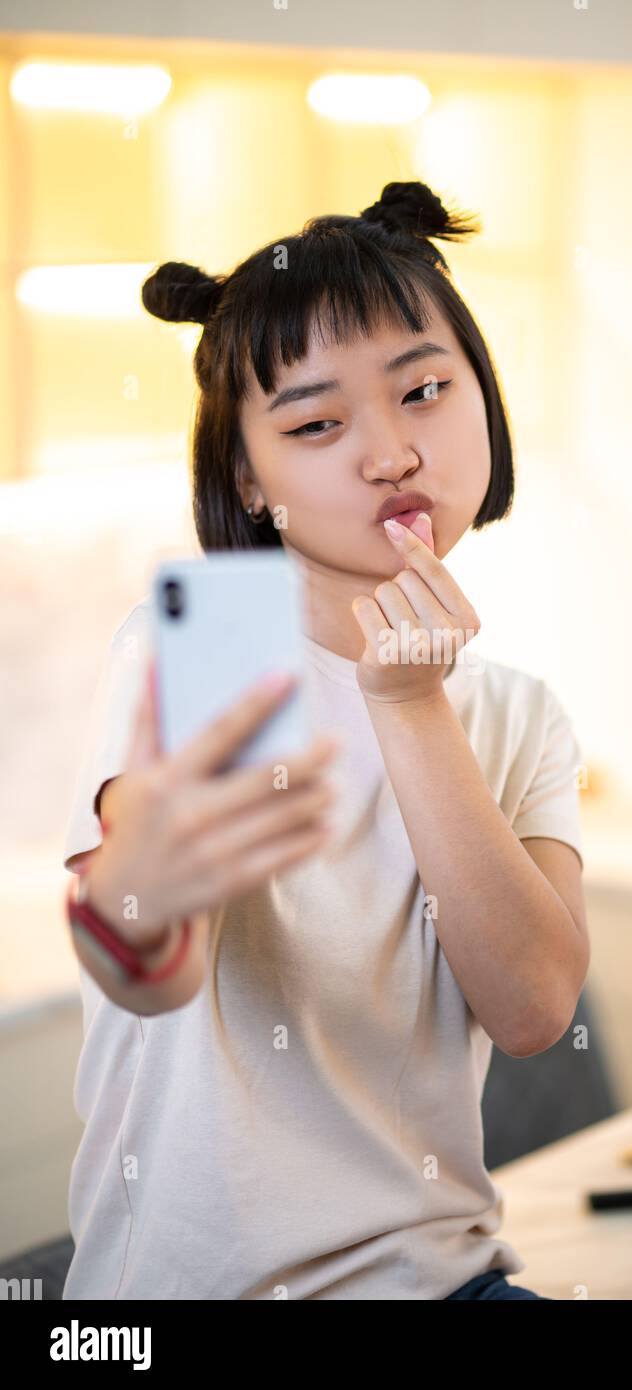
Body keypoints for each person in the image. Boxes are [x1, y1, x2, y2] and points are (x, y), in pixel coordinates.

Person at [61, 180, 589, 1300]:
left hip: (446, 1281)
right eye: (315, 424)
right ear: (249, 479)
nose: (392, 453)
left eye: (426, 391)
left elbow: (537, 1008)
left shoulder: (519, 710)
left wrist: (409, 706)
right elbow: (150, 964)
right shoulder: (204, 651)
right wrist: (132, 893)